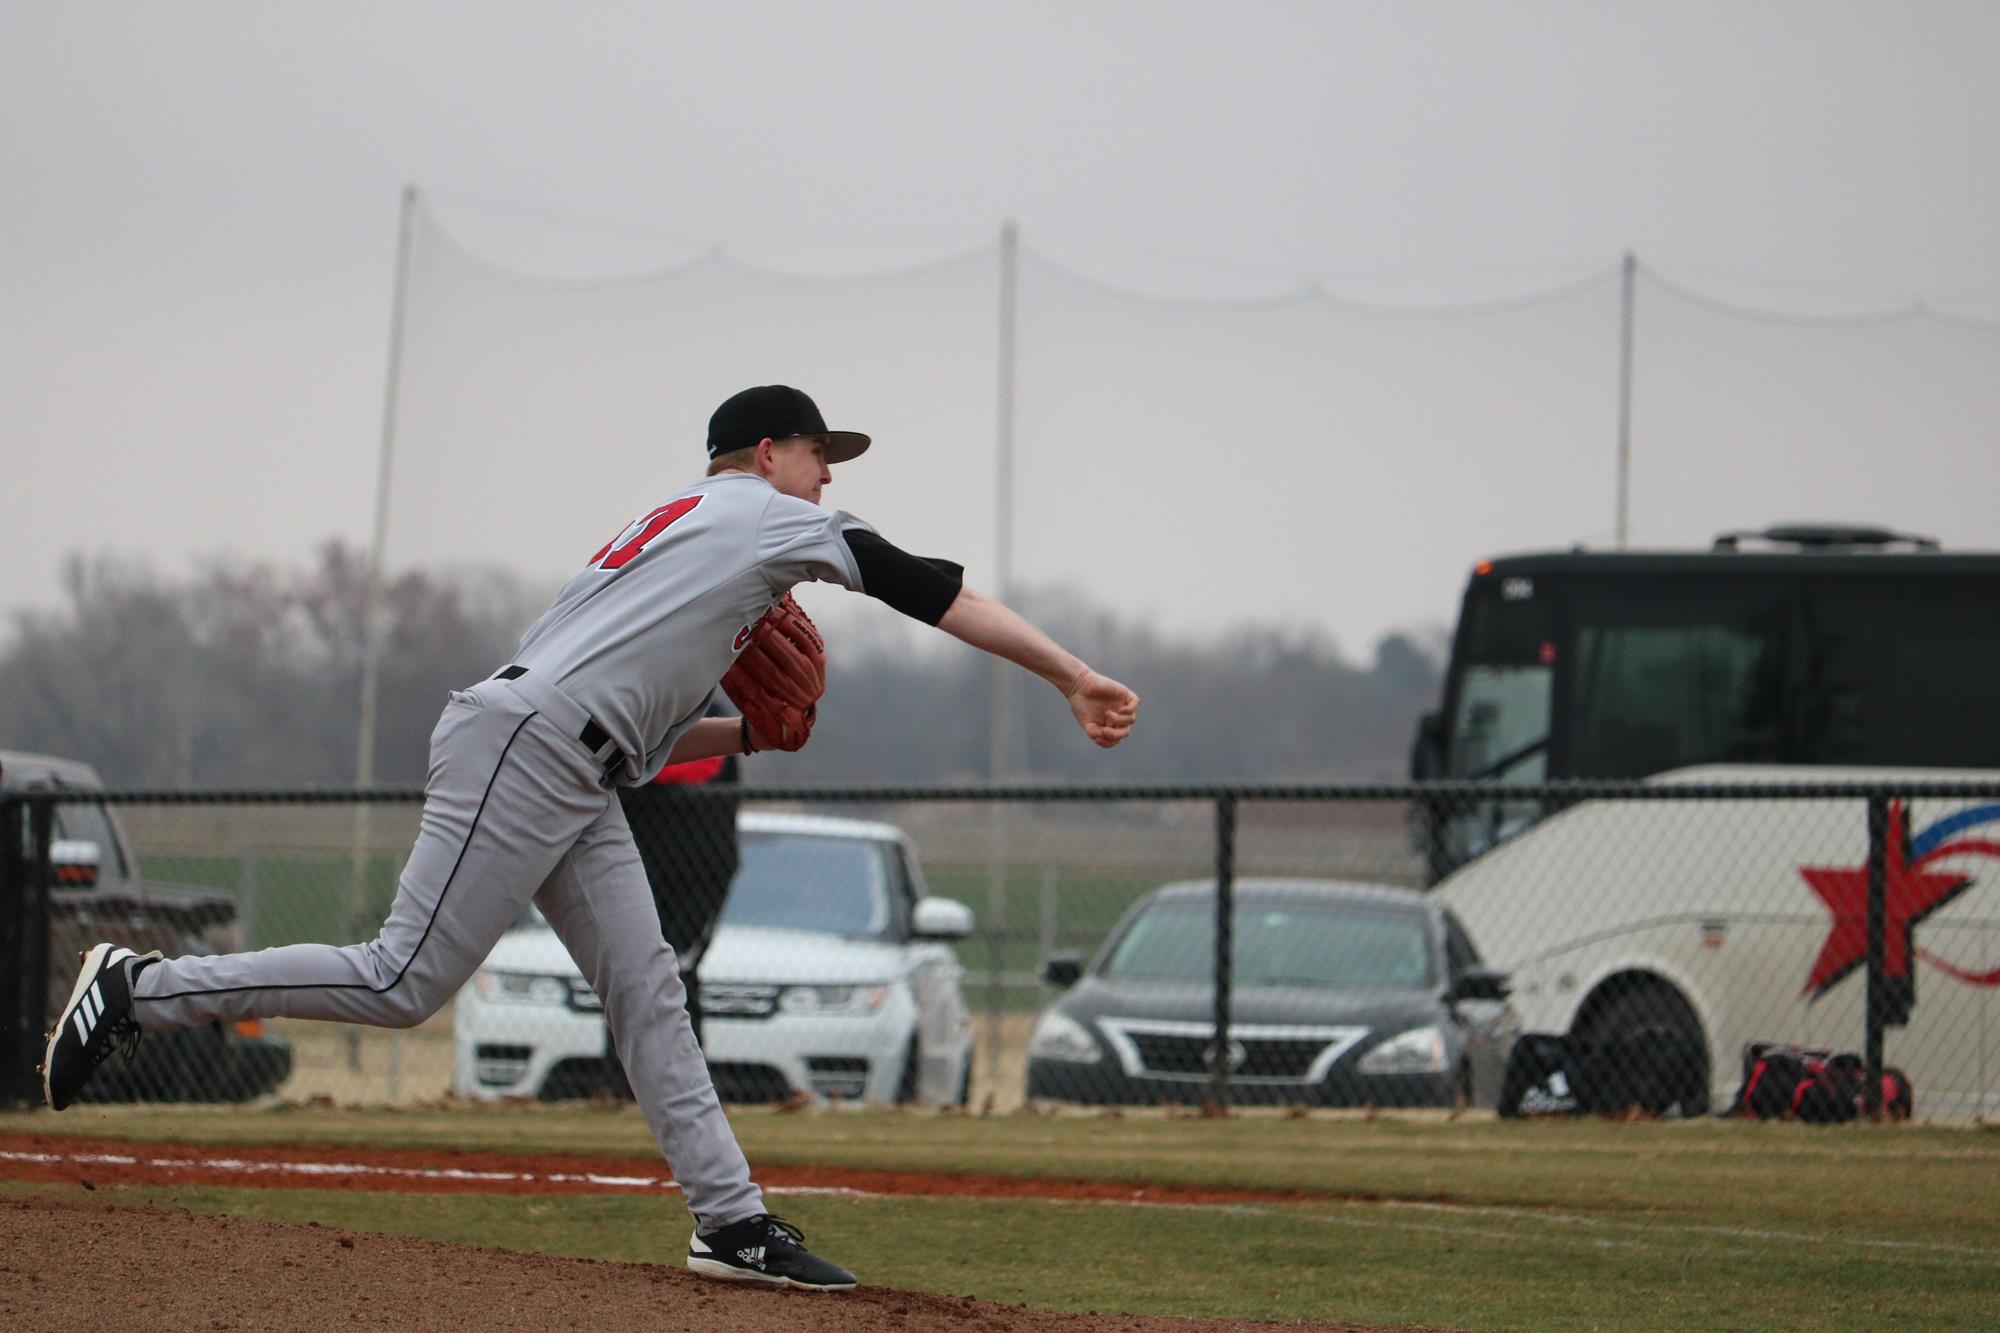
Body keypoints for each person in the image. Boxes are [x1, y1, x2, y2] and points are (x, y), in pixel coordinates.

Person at [38, 384, 1141, 1292]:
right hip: (533, 748)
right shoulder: (767, 515)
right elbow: (925, 586)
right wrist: (1071, 674)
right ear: (766, 453)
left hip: (568, 755)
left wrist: (745, 729)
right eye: (819, 453)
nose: (830, 477)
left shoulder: (664, 538)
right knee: (403, 977)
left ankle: (731, 1221)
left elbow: (629, 729)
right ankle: (139, 988)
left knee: (647, 989)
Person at [619, 717, 741, 1050]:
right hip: (638, 870)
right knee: (633, 975)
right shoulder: (639, 715)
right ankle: (620, 1081)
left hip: (699, 876)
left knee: (677, 971)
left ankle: (684, 1066)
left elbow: (690, 769)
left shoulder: (716, 721)